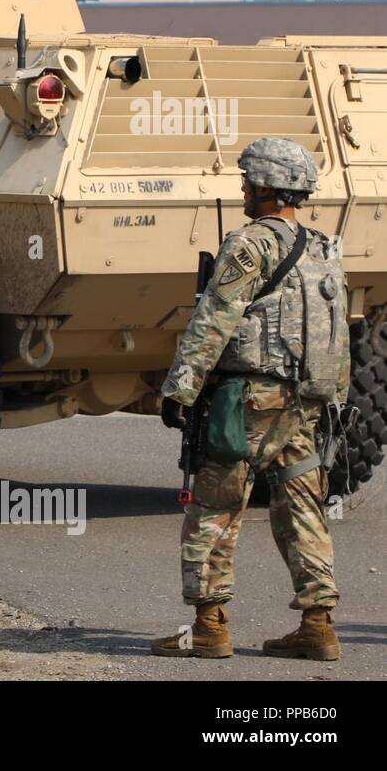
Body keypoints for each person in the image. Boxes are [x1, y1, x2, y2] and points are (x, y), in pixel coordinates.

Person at [152, 138, 349, 661]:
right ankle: (318, 626)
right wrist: (336, 401)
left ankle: (209, 627)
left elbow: (214, 319)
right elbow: (338, 332)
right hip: (307, 403)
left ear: (266, 187)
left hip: (247, 401)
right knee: (304, 509)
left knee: (215, 506)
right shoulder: (324, 249)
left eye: (247, 180)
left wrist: (180, 389)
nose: (241, 187)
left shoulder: (249, 246)